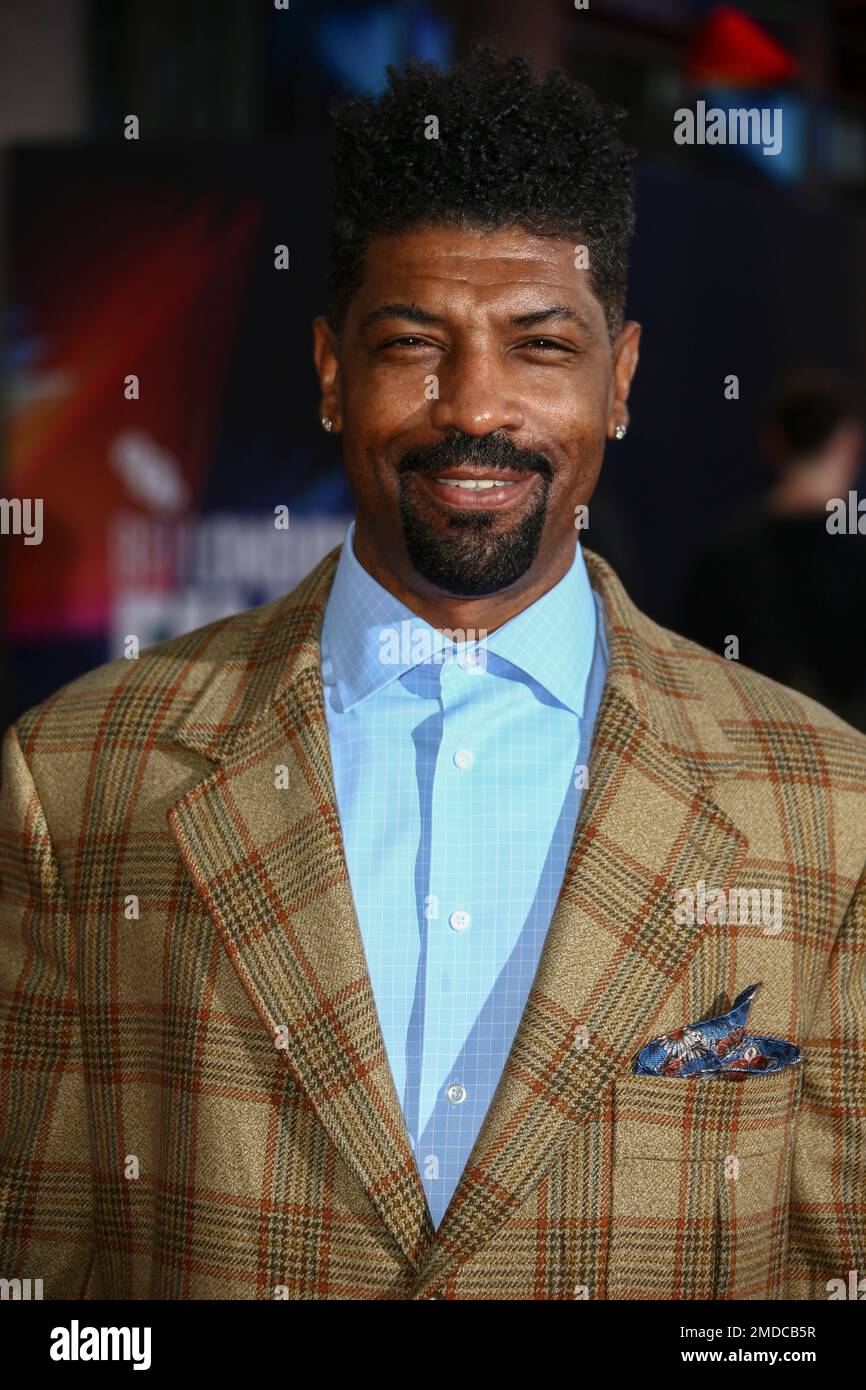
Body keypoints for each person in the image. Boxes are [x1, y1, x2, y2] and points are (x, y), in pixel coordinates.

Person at [1, 47, 864, 1302]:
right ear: (329, 369)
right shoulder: (73, 779)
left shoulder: (825, 809)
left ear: (617, 381)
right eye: (414, 342)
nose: (476, 405)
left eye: (538, 346)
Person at [682, 367, 866, 729]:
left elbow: (696, 673)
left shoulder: (724, 556)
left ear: (772, 442)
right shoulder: (858, 553)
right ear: (848, 446)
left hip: (751, 757)